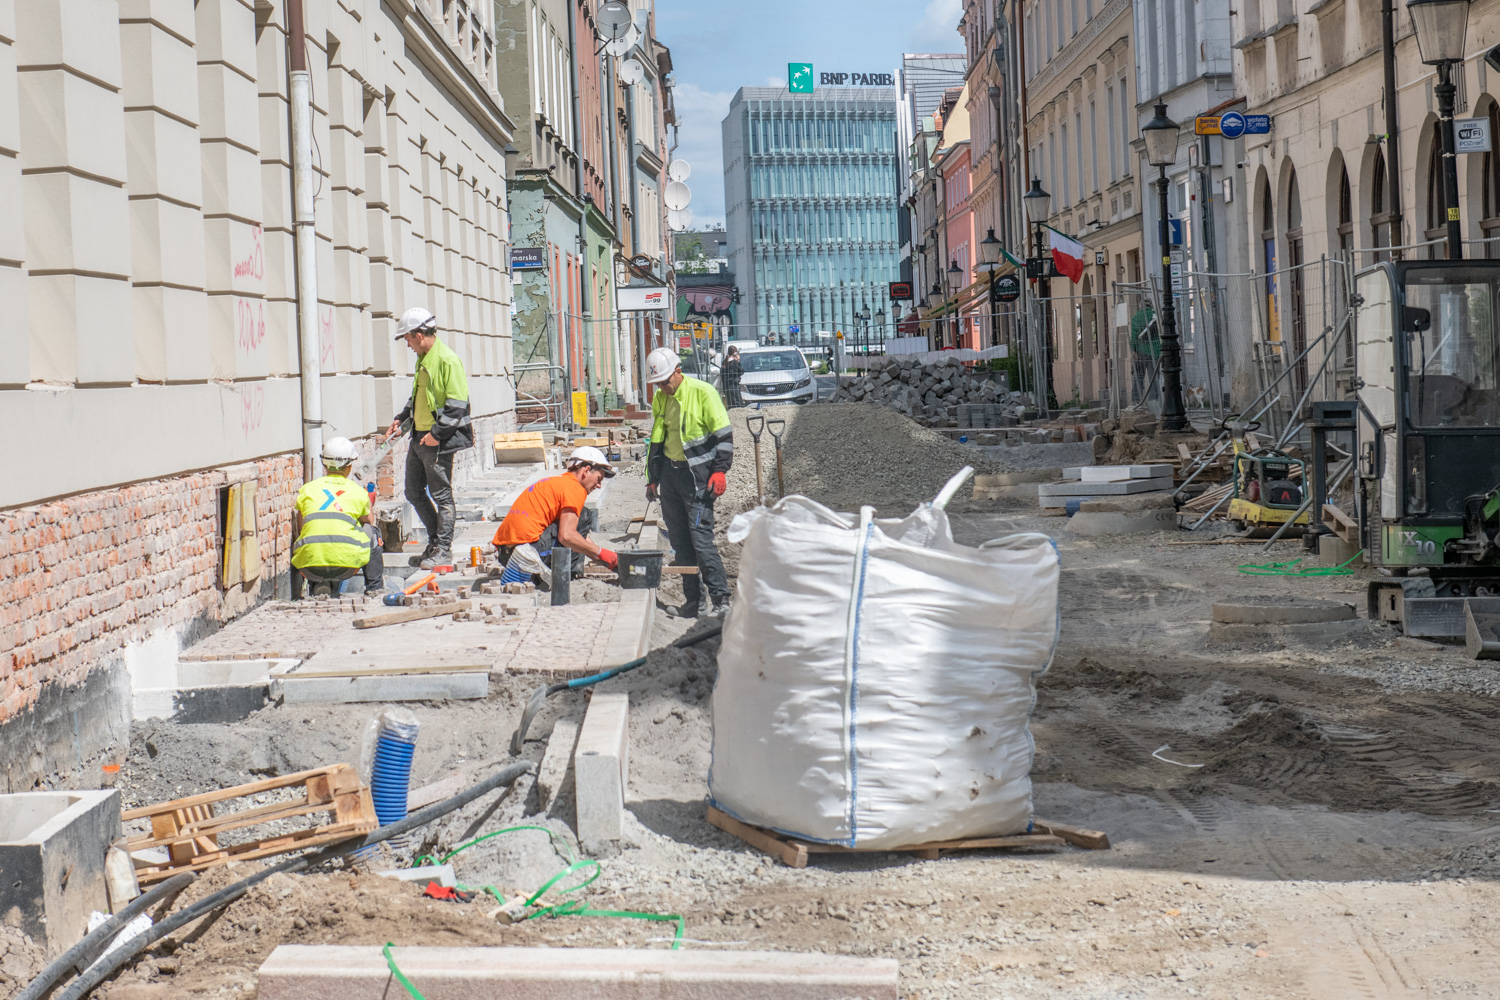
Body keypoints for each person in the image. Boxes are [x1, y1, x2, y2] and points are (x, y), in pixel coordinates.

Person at [643, 346, 733, 618]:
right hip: (670, 477)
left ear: (678, 372)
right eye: (657, 384)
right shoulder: (661, 398)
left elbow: (724, 436)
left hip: (697, 478)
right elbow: (658, 439)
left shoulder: (703, 393)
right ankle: (694, 602)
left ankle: (720, 600)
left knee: (701, 541)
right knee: (680, 542)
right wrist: (653, 478)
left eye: (664, 381)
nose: (662, 387)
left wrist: (719, 470)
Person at [384, 306, 472, 569]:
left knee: (441, 495)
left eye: (408, 339)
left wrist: (437, 435)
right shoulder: (424, 359)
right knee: (413, 491)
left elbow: (457, 405)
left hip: (437, 439)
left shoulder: (447, 360)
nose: (408, 345)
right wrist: (402, 417)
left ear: (419, 335)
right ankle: (435, 543)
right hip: (420, 437)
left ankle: (443, 550)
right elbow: (419, 396)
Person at [492, 446, 620, 575]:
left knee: (576, 521)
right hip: (527, 555)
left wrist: (601, 557)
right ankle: (564, 575)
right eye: (598, 479)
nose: (599, 485)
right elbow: (567, 536)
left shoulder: (554, 482)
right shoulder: (575, 489)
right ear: (586, 470)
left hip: (506, 555)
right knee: (584, 514)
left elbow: (578, 535)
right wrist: (601, 552)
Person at [290, 437, 384, 598]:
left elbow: (301, 529)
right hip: (347, 567)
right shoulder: (357, 492)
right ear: (349, 466)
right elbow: (369, 521)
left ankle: (310, 589)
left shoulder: (308, 490)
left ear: (324, 464)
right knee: (373, 533)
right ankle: (374, 588)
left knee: (309, 537)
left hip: (309, 567)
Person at [1129, 304, 1161, 406]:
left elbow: (1134, 336)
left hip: (1140, 351)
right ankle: (1154, 400)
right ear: (1151, 305)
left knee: (1138, 376)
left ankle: (1136, 400)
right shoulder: (1156, 315)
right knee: (1153, 377)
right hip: (1154, 351)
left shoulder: (1136, 317)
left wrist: (1134, 350)